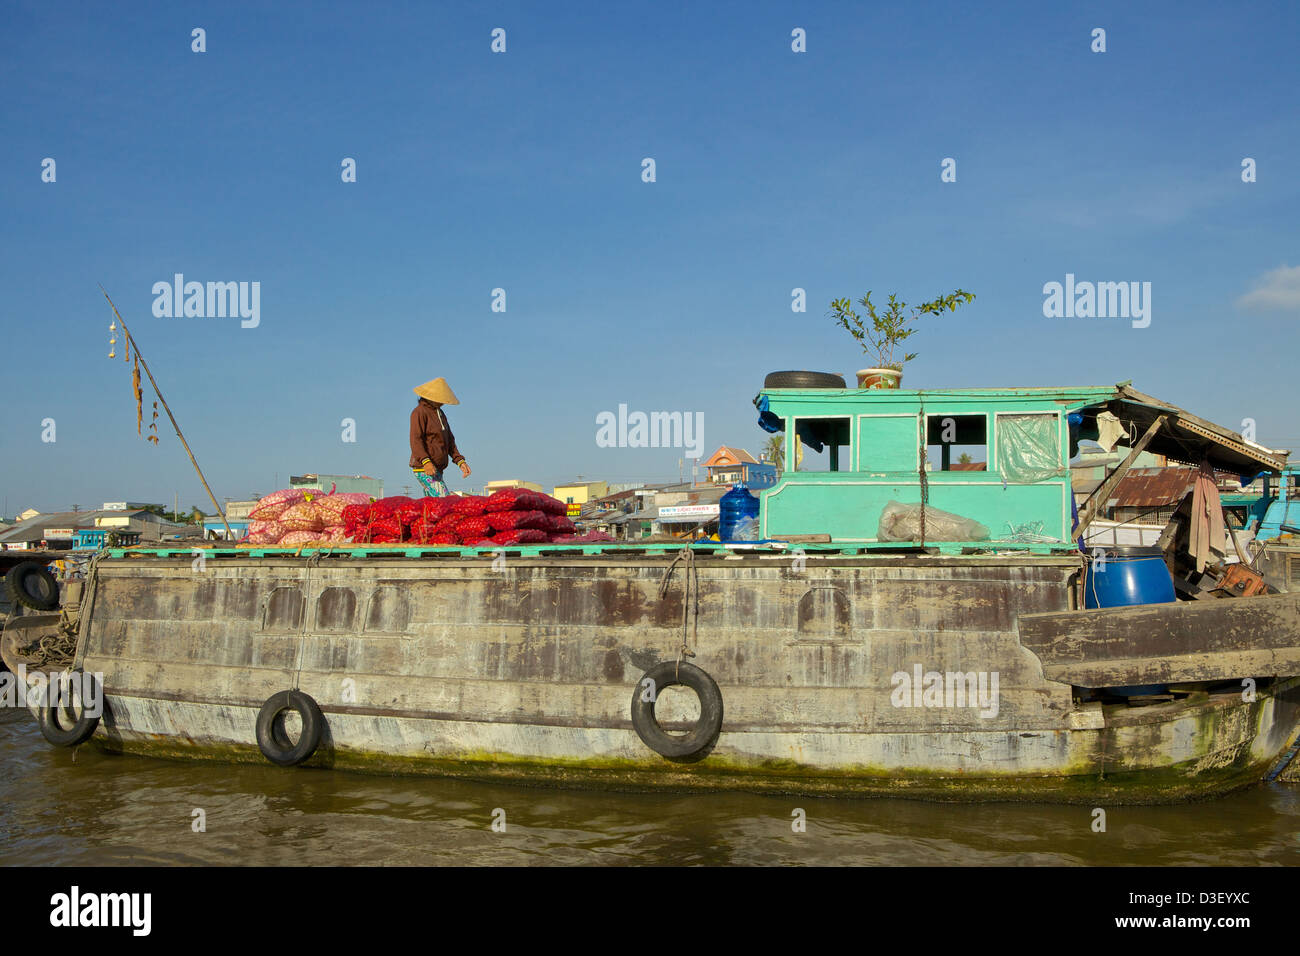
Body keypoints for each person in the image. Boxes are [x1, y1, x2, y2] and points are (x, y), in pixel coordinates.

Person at [409, 377, 471, 498]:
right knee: (444, 501)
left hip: (437, 469)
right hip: (424, 468)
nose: (443, 402)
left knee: (433, 507)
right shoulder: (419, 412)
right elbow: (416, 439)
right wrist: (425, 461)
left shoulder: (441, 414)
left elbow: (450, 440)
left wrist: (459, 461)